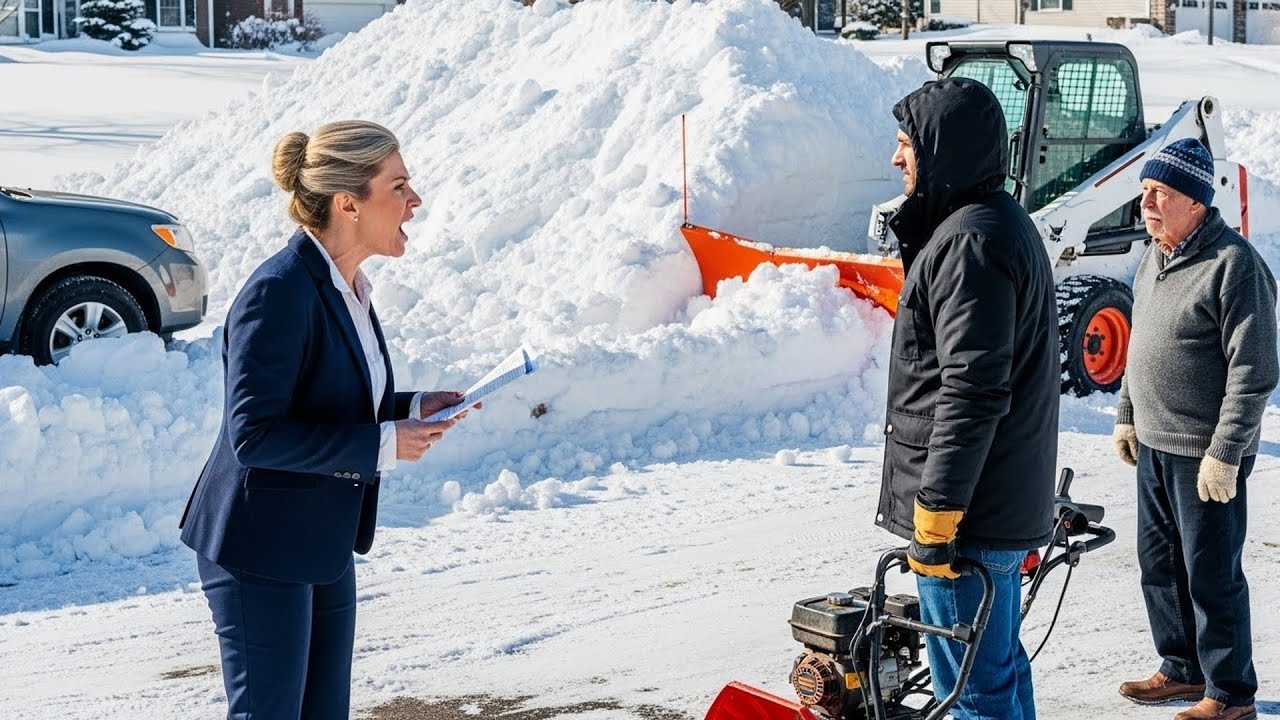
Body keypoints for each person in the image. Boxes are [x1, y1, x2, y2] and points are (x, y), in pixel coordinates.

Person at [179, 120, 474, 719]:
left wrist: (412, 408)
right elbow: (255, 434)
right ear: (348, 203)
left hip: (321, 541)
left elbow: (329, 398)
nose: (414, 201)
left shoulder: (348, 288)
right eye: (398, 186)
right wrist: (385, 444)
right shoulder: (279, 292)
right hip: (259, 547)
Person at [876, 77, 1059, 720]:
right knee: (999, 671)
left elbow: (973, 390)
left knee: (975, 695)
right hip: (991, 504)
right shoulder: (994, 225)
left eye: (905, 144)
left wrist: (939, 510)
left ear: (941, 150)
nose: (896, 158)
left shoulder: (969, 242)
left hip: (969, 518)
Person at [1113, 138, 1276, 720]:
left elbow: (1254, 369)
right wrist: (1128, 413)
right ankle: (1182, 668)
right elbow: (1140, 345)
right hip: (1155, 445)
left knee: (1211, 573)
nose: (1148, 205)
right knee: (1159, 565)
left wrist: (1226, 452)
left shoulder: (1234, 265)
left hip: (1206, 454)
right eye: (1145, 193)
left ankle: (1231, 695)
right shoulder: (1153, 257)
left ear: (1198, 204)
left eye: (1162, 194)